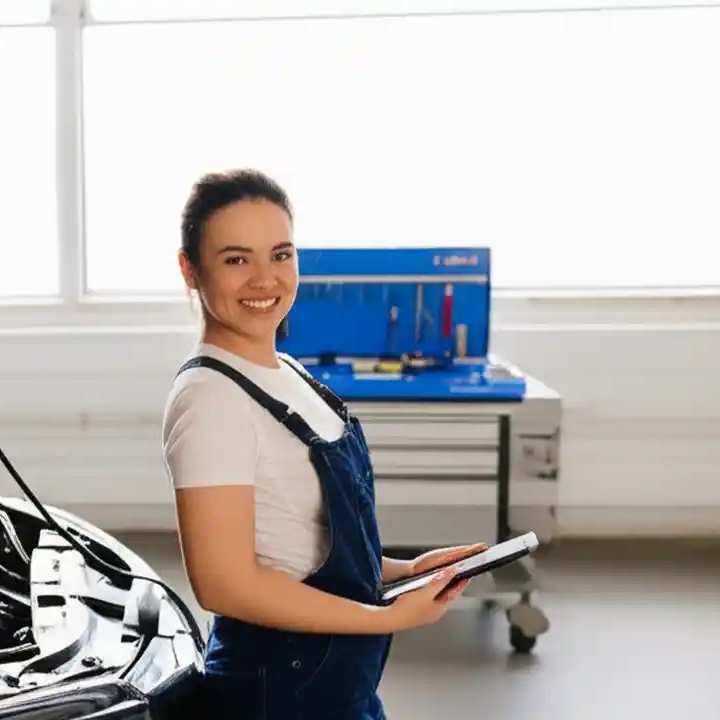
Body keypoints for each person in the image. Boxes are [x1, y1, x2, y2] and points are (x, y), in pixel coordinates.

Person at [162, 169, 486, 719]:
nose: (265, 279)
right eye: (237, 259)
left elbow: (297, 545)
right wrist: (389, 617)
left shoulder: (286, 371)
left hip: (336, 687)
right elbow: (225, 585)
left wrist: (403, 573)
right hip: (277, 692)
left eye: (281, 254)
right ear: (190, 269)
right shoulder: (210, 399)